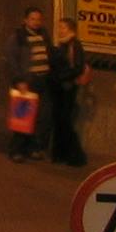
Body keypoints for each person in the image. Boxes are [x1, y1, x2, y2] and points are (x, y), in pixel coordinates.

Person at [7, 7, 53, 160]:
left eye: (38, 19)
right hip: (27, 81)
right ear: (25, 20)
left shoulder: (44, 35)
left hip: (43, 80)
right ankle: (17, 150)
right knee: (23, 117)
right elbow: (12, 61)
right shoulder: (18, 37)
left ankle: (34, 148)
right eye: (32, 19)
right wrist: (19, 80)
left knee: (41, 117)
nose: (36, 22)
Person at [48, 15, 89, 168]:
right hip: (58, 87)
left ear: (71, 30)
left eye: (63, 27)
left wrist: (60, 77)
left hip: (67, 87)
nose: (59, 30)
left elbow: (77, 67)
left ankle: (76, 156)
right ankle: (60, 155)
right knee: (59, 121)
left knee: (65, 121)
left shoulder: (74, 46)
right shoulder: (61, 45)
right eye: (59, 27)